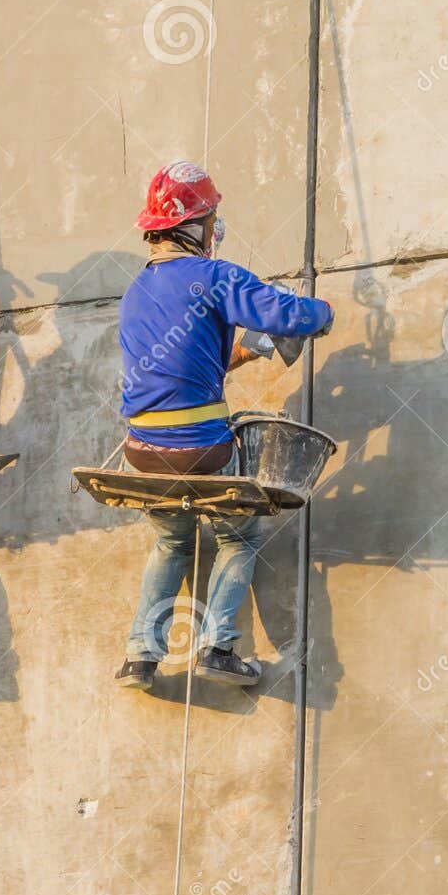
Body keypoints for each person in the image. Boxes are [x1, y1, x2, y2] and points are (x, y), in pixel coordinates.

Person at [115, 160, 333, 690]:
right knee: (239, 536)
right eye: (211, 216)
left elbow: (184, 366)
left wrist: (247, 351)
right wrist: (322, 309)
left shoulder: (136, 292)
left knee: (171, 543)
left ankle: (139, 657)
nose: (216, 226)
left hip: (142, 452)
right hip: (202, 451)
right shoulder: (216, 275)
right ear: (195, 226)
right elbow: (291, 316)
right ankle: (219, 647)